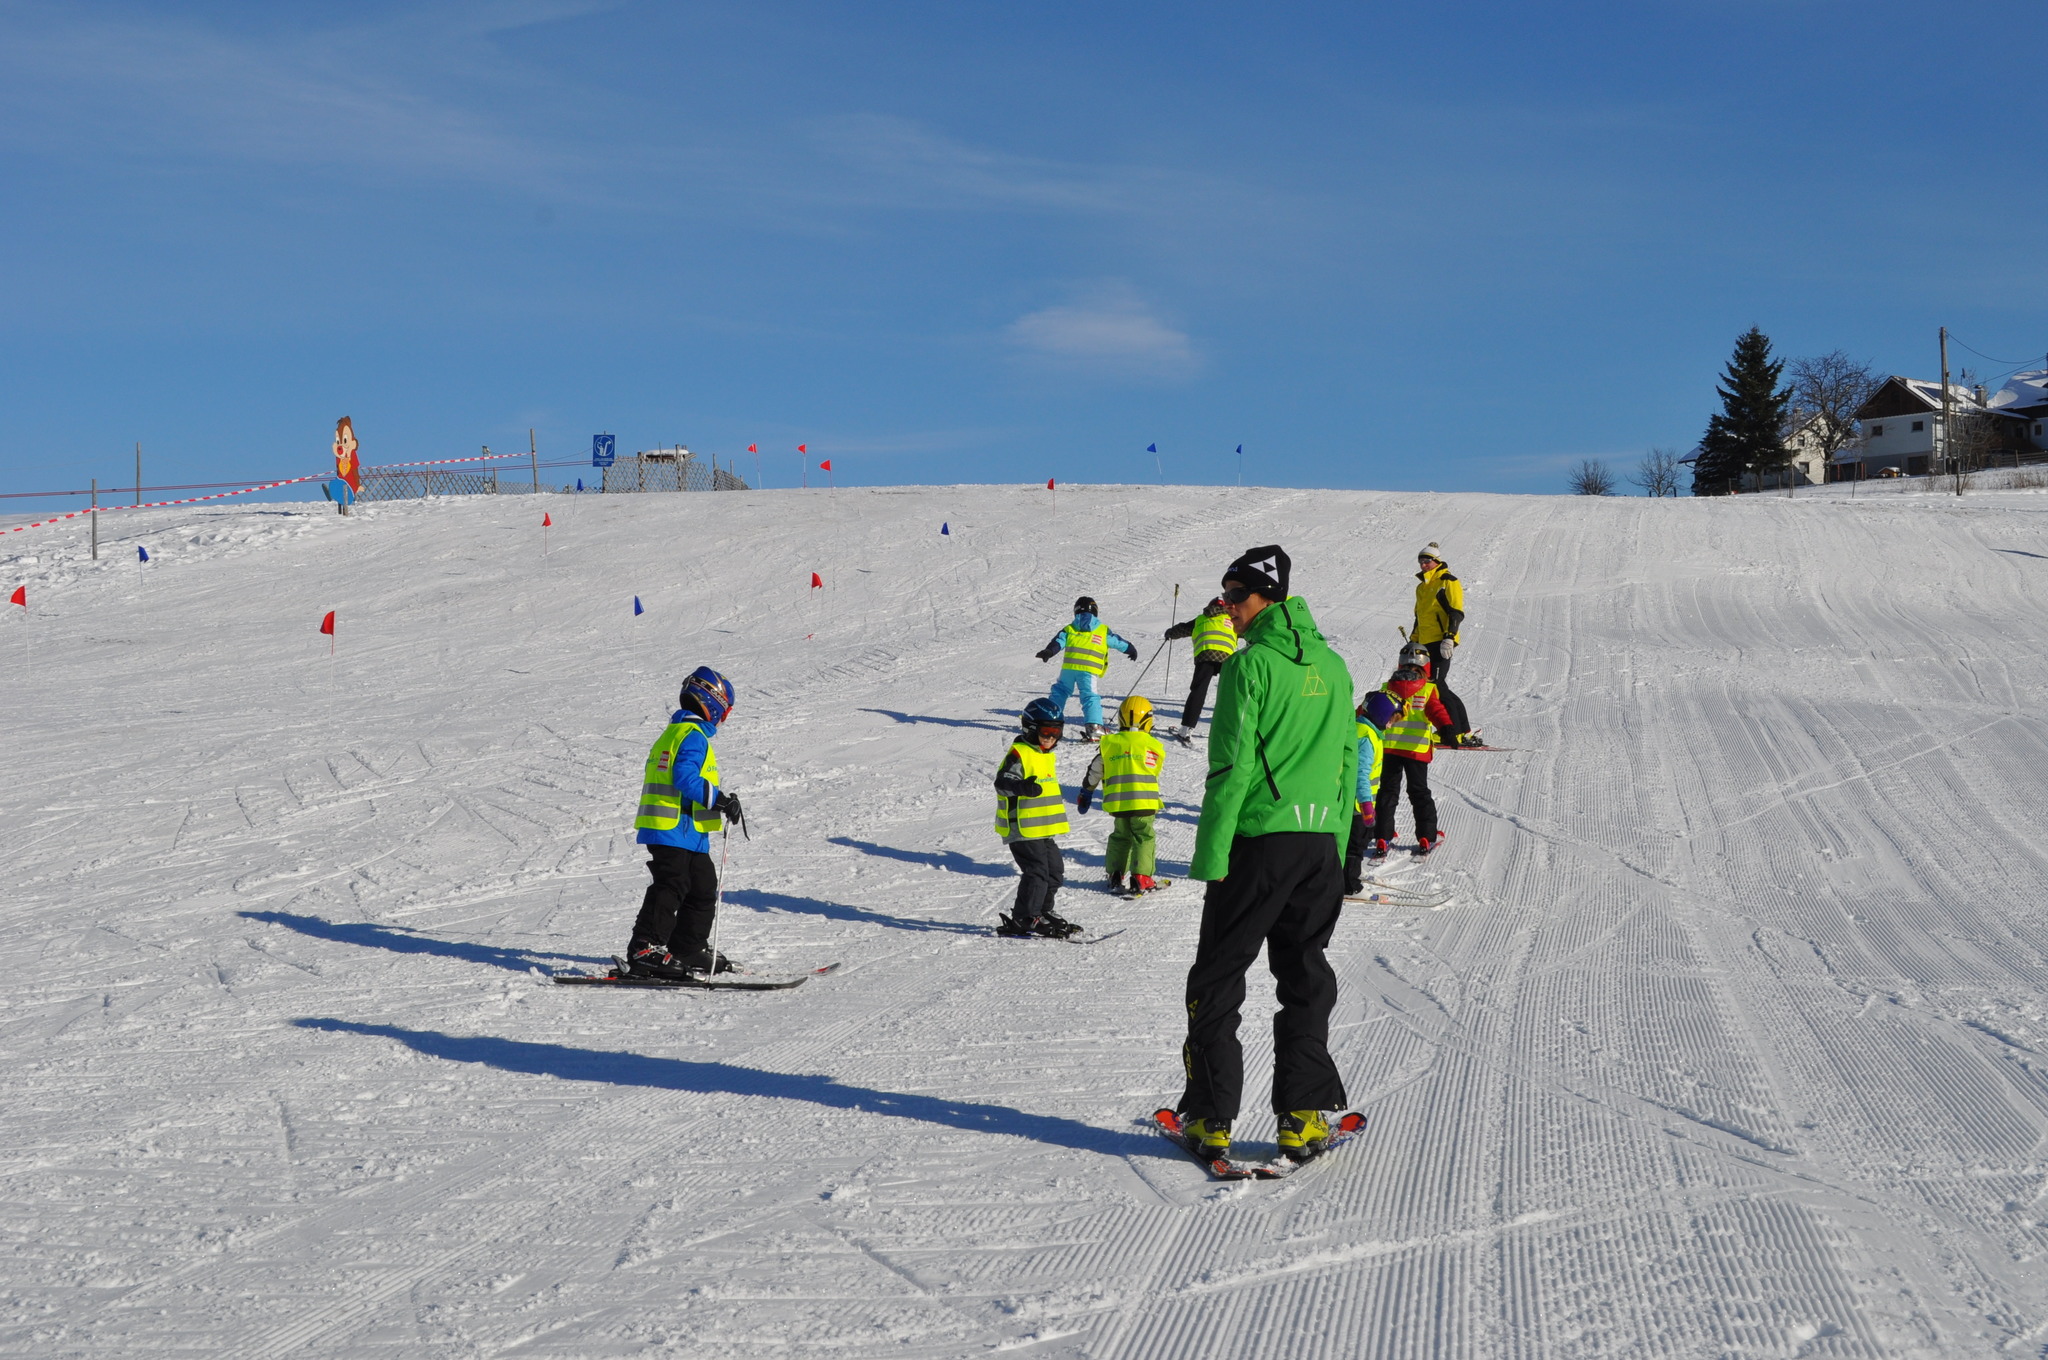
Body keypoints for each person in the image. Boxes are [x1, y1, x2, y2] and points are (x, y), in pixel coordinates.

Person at [1176, 545, 1357, 1165]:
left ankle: (1208, 1118)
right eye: (1224, 595)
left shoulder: (1248, 668)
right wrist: (1334, 850)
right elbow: (1344, 765)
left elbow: (1231, 767)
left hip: (1258, 845)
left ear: (1267, 598)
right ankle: (1301, 1118)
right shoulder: (1334, 667)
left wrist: (1211, 860)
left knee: (1219, 977)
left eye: (1236, 596)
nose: (1226, 607)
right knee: (1305, 976)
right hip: (1316, 851)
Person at [623, 666, 745, 978]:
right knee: (672, 885)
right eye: (726, 711)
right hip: (673, 828)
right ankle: (644, 949)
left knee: (703, 888)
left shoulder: (676, 733)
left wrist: (718, 802)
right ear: (714, 703)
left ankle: (688, 947)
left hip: (687, 833)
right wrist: (719, 800)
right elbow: (685, 778)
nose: (724, 718)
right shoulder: (693, 737)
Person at [994, 698, 1084, 939]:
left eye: (1057, 732)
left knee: (1054, 871)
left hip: (1042, 829)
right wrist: (1021, 787)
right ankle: (1025, 916)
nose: (1051, 738)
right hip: (1022, 828)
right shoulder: (1019, 753)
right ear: (1030, 729)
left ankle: (1042, 911)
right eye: (1046, 732)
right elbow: (1002, 783)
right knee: (1036, 872)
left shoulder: (1044, 754)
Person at [1079, 694, 1167, 897]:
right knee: (1144, 837)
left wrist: (1087, 791)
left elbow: (1096, 769)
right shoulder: (1153, 745)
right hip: (1144, 802)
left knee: (1120, 837)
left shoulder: (1110, 744)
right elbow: (1154, 769)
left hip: (1118, 803)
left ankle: (1115, 875)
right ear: (1149, 720)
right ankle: (1142, 877)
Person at [1371, 663, 1452, 859]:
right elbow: (1436, 711)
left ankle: (1382, 836)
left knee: (1387, 792)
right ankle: (1426, 836)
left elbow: (1371, 709)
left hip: (1390, 748)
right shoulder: (1427, 688)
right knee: (1419, 792)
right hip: (1416, 751)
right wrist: (1446, 727)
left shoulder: (1387, 688)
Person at [1035, 595, 1139, 740]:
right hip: (1088, 671)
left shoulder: (1070, 628)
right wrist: (1131, 649)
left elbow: (1058, 642)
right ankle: (1094, 727)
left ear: (1076, 611)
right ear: (1095, 611)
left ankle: (1049, 722)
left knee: (1060, 691)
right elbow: (1117, 642)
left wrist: (1049, 652)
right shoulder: (1102, 630)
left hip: (1069, 669)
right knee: (1089, 696)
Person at [1411, 543, 1478, 746]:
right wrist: (1414, 640)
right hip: (1425, 642)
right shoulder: (1422, 587)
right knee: (1438, 686)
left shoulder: (1448, 581)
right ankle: (1462, 729)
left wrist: (1450, 636)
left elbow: (1456, 611)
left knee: (1437, 686)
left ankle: (1453, 732)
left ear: (1436, 561)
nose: (1423, 565)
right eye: (1421, 561)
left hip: (1441, 641)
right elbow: (1419, 616)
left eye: (1427, 561)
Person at [1343, 690, 1398, 895]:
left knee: (1353, 842)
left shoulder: (1359, 728)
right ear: (1381, 716)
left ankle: (1349, 873)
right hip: (1357, 803)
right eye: (1391, 720)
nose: (1392, 725)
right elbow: (1360, 774)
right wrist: (1366, 804)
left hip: (1350, 800)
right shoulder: (1367, 739)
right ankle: (1350, 886)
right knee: (1355, 845)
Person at [1161, 596, 1239, 740]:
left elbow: (1182, 629)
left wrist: (1169, 633)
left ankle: (1186, 729)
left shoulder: (1200, 619)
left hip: (1205, 655)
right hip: (1227, 659)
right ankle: (1232, 731)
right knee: (1229, 694)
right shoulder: (1233, 619)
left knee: (1199, 691)